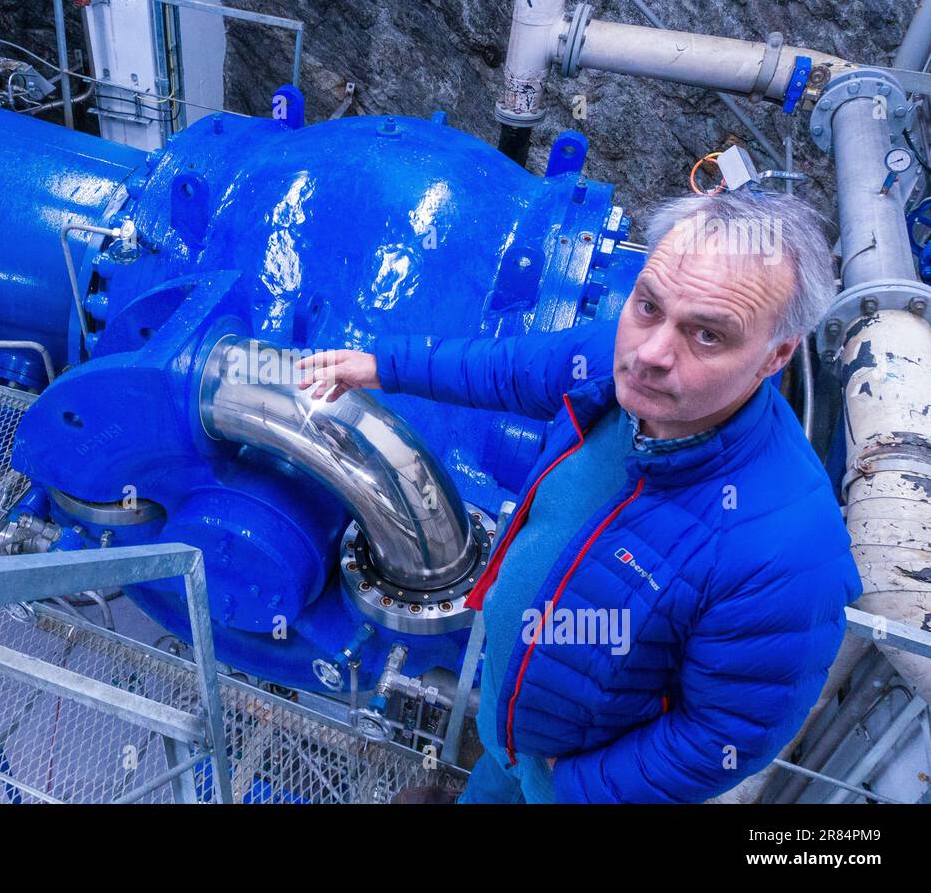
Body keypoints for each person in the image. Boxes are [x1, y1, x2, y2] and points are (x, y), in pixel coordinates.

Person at [296, 190, 863, 803]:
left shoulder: (786, 550)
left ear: (776, 354)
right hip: (509, 740)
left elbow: (722, 740)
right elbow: (511, 368)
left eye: (707, 335)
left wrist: (564, 788)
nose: (650, 354)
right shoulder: (611, 361)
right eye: (648, 306)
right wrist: (382, 364)